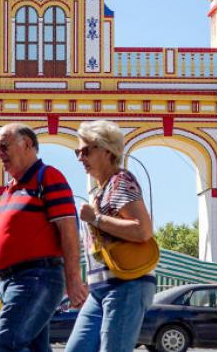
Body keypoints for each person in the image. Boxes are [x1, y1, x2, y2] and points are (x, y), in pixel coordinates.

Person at [0, 123, 87, 352]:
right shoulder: (10, 189)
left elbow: (68, 230)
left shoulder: (48, 177)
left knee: (7, 342)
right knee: (33, 346)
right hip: (12, 281)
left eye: (4, 146)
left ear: (27, 144)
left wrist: (73, 279)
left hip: (36, 278)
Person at [65, 119, 156, 352]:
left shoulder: (120, 182)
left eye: (85, 151)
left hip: (127, 284)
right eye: (77, 151)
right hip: (101, 288)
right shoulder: (101, 190)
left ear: (107, 151)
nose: (80, 158)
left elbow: (142, 230)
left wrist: (95, 219)